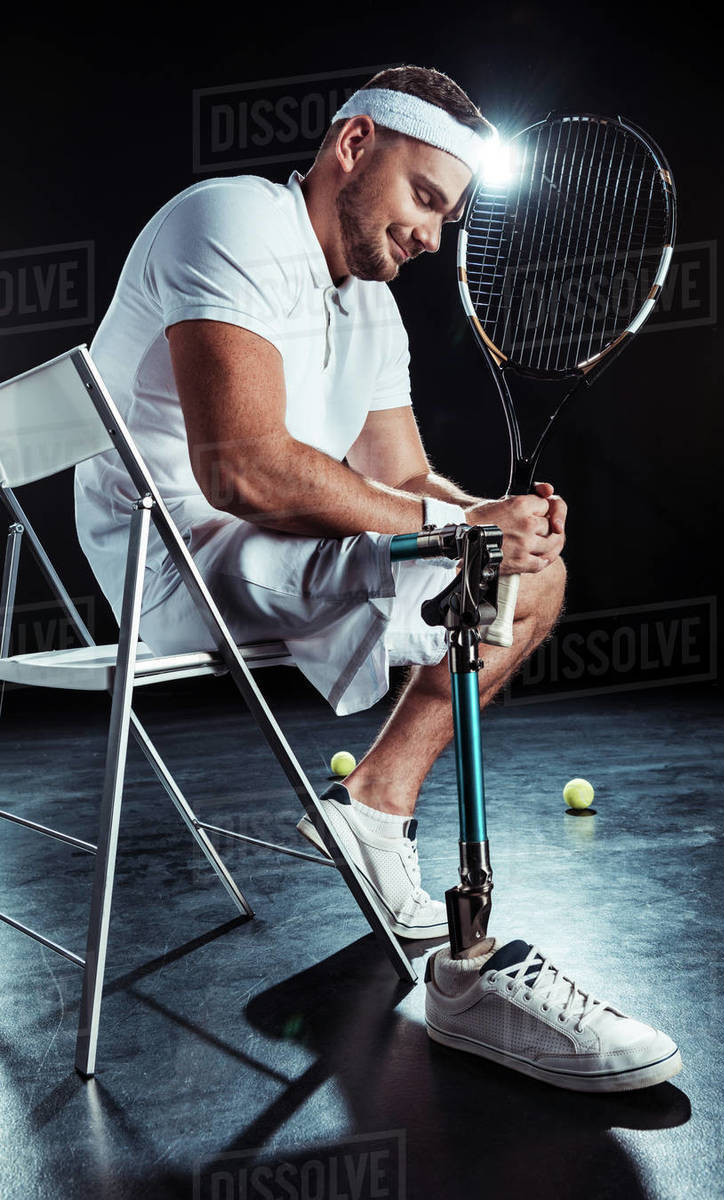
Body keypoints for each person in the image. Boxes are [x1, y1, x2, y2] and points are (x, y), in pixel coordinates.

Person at [74, 65, 681, 1092]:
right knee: (486, 564)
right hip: (173, 554)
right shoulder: (229, 220)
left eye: (450, 214)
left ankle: (373, 815)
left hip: (260, 548)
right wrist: (460, 529)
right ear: (354, 148)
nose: (434, 237)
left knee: (529, 573)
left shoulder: (369, 308)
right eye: (424, 199)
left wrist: (495, 521)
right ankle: (469, 967)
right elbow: (246, 468)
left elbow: (401, 480)